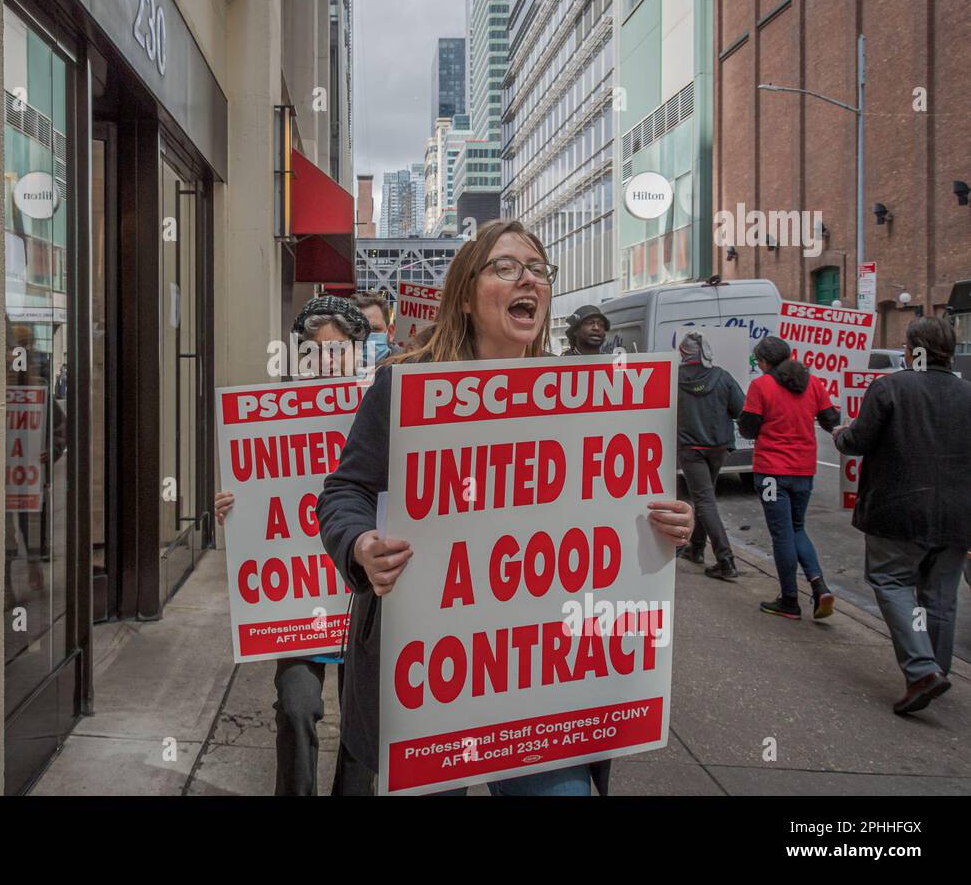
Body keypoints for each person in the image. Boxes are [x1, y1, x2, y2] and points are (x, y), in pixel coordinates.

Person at [316, 219, 695, 796]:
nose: (529, 279)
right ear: (466, 295)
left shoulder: (584, 399)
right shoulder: (405, 386)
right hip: (429, 676)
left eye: (538, 269)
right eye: (506, 267)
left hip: (542, 680)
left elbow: (621, 503)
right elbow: (346, 492)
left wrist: (668, 521)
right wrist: (362, 546)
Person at [214, 294, 371, 795]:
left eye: (338, 349)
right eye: (316, 350)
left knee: (361, 720)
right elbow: (261, 492)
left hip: (361, 593)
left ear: (356, 352)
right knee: (297, 707)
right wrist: (235, 510)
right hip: (298, 599)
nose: (328, 360)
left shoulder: (379, 407)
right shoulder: (275, 415)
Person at [833, 317, 971, 715]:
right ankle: (934, 670)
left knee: (891, 581)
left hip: (899, 511)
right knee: (941, 597)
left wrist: (841, 433)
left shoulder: (889, 387)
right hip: (958, 517)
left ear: (915, 350)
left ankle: (922, 670)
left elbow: (858, 441)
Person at [738, 336, 838, 621]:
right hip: (804, 469)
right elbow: (831, 419)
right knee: (797, 528)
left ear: (765, 362)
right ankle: (819, 585)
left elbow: (748, 428)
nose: (757, 366)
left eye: (758, 361)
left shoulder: (761, 386)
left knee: (782, 534)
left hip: (772, 470)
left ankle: (790, 599)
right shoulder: (813, 382)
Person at [675, 330, 745, 581]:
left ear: (683, 353)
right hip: (718, 447)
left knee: (704, 500)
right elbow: (740, 409)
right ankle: (696, 549)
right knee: (706, 498)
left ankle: (725, 560)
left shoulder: (674, 378)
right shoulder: (722, 377)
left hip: (690, 448)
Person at [352, 290, 394, 365]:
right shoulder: (338, 370)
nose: (367, 336)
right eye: (358, 330)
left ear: (390, 332)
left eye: (375, 330)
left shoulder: (408, 368)